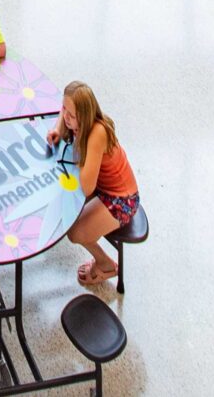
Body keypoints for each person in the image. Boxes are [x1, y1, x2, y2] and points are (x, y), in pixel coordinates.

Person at [46, 81, 140, 287]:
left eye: (71, 115)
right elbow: (63, 113)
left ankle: (106, 264)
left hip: (122, 199)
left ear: (84, 114)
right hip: (103, 187)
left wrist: (79, 156)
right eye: (65, 110)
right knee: (60, 200)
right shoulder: (80, 120)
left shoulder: (96, 133)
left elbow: (87, 187)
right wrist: (58, 128)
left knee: (75, 232)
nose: (66, 117)